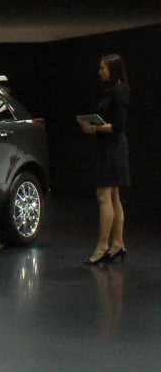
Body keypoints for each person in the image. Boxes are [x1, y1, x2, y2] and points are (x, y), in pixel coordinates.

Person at [78, 54, 131, 265]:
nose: (100, 72)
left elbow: (118, 126)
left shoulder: (119, 91)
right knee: (114, 196)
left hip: (113, 150)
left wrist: (94, 128)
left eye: (103, 68)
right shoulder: (112, 90)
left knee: (103, 195)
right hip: (109, 148)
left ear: (113, 69)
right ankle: (117, 244)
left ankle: (102, 246)